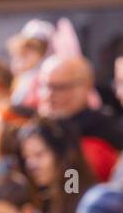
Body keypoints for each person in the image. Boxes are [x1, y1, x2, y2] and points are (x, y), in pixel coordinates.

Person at [38, 56, 123, 184]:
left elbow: (72, 187)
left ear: (86, 86)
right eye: (45, 86)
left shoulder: (106, 131)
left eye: (60, 87)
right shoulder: (36, 128)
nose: (49, 94)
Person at [17, 117, 96, 213]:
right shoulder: (39, 198)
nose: (30, 165)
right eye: (27, 157)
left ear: (61, 155)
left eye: (39, 155)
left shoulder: (82, 195)